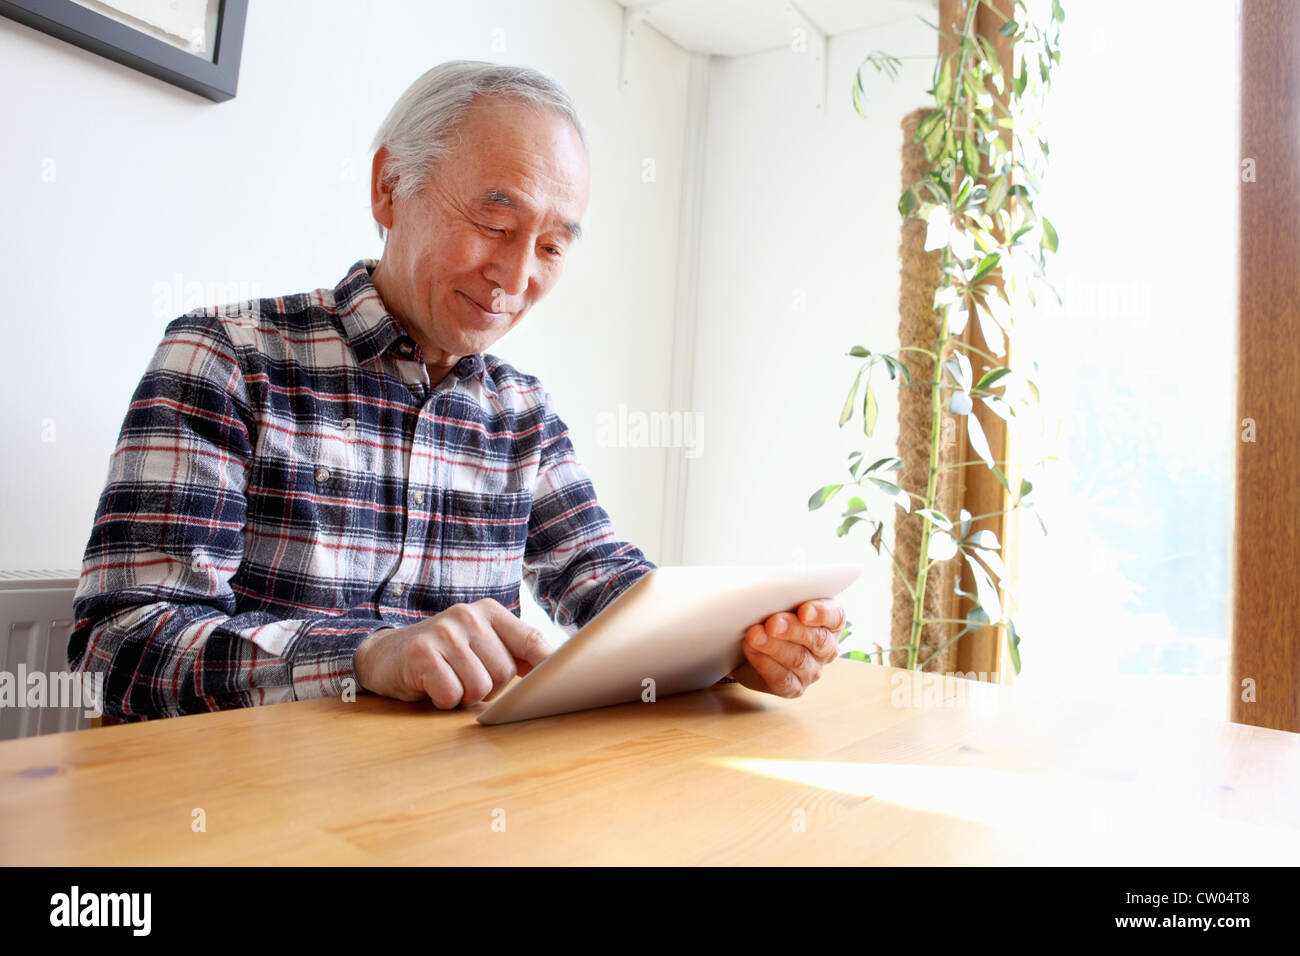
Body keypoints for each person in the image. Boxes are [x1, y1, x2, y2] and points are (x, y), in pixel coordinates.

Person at [68, 61, 845, 720]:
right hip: (255, 811)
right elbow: (121, 648)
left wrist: (738, 644)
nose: (515, 278)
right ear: (388, 189)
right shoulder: (229, 356)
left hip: (454, 811)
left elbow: (605, 583)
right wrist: (366, 658)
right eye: (493, 221)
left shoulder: (522, 414)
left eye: (549, 245)